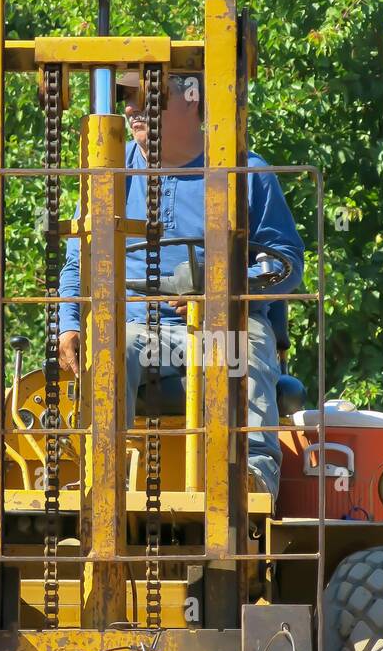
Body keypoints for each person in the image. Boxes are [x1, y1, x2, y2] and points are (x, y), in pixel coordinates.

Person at [57, 71, 304, 499]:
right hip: (140, 333)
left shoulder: (245, 172)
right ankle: (103, 481)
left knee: (244, 350)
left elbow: (284, 263)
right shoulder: (109, 174)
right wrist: (69, 323)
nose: (132, 108)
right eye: (126, 98)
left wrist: (219, 293)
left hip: (219, 333)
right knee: (109, 347)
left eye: (148, 96)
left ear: (193, 99)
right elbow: (78, 263)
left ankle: (253, 481)